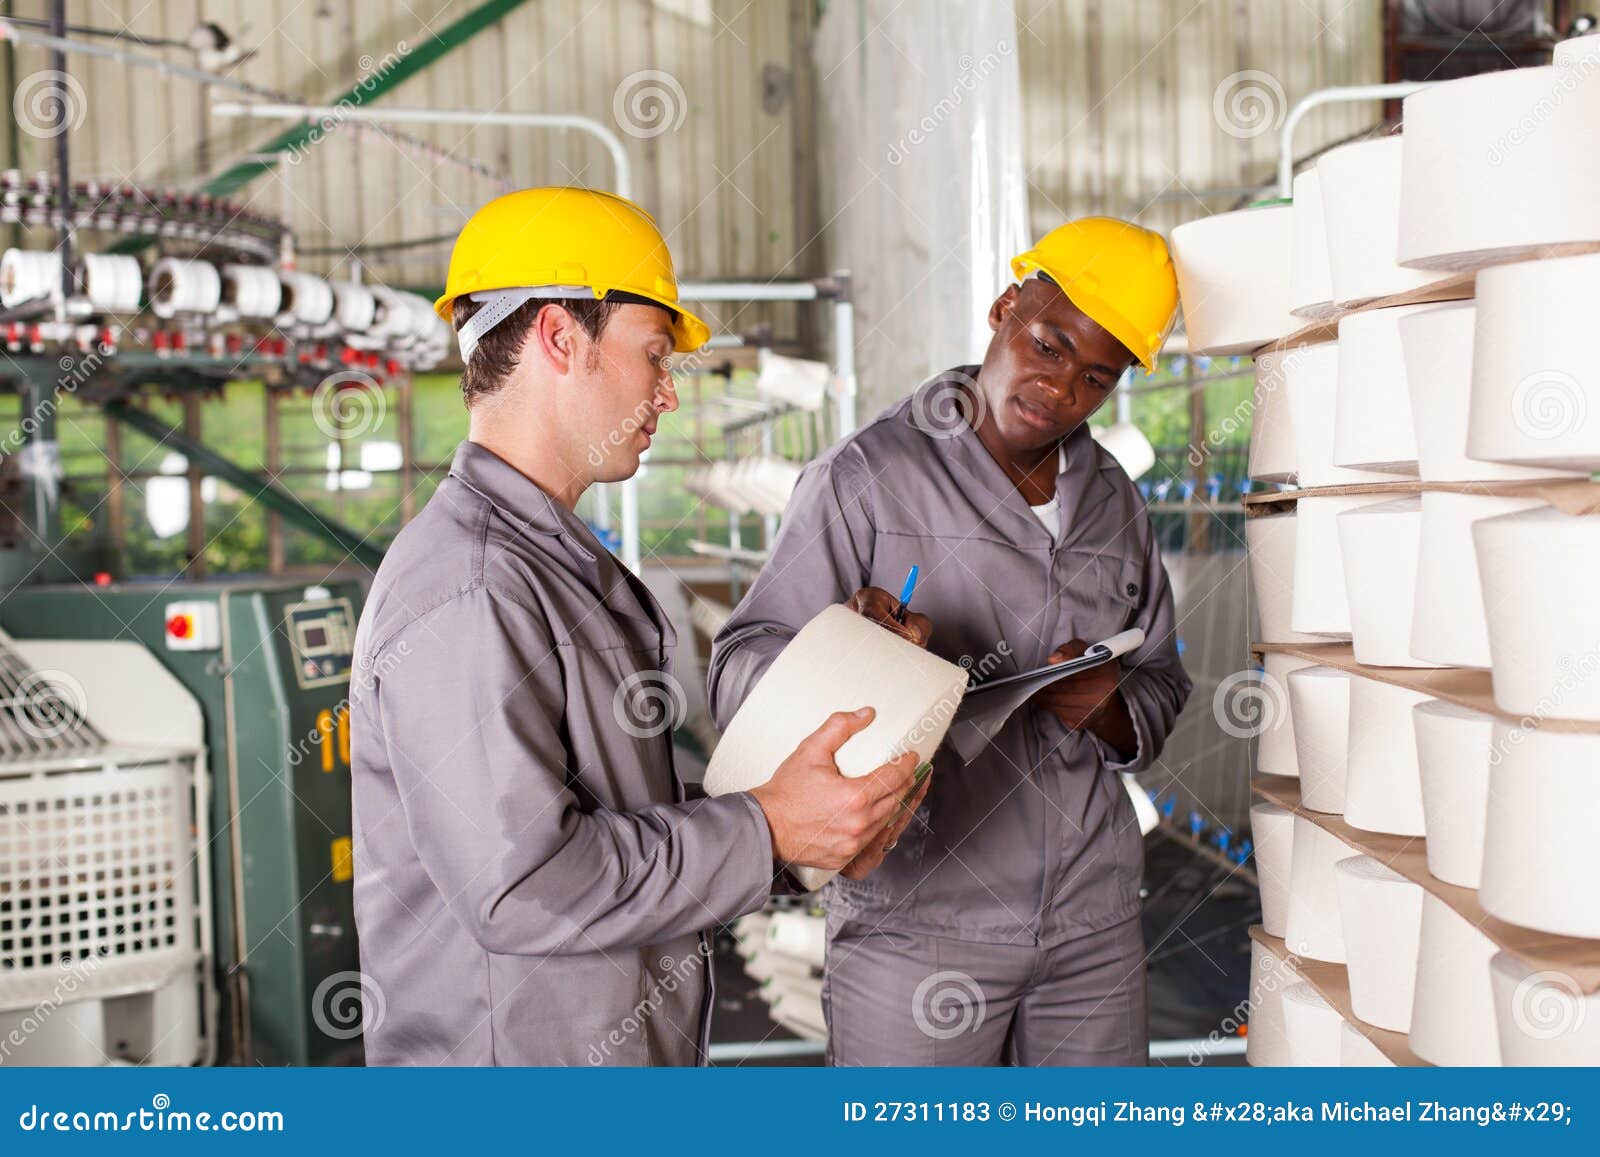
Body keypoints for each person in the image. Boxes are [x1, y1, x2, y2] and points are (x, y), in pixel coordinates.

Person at [349, 187, 927, 1066]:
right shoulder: (471, 586)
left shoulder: (544, 560)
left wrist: (798, 825)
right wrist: (767, 829)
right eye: (655, 355)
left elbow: (611, 816)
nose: (668, 395)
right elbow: (527, 885)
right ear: (558, 336)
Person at [708, 217, 1192, 1066]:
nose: (1059, 387)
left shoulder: (1113, 499)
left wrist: (1107, 707)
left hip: (1092, 925)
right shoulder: (870, 475)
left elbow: (1161, 679)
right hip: (918, 924)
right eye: (1047, 344)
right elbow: (740, 662)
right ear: (1005, 308)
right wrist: (845, 653)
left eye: (1095, 377)